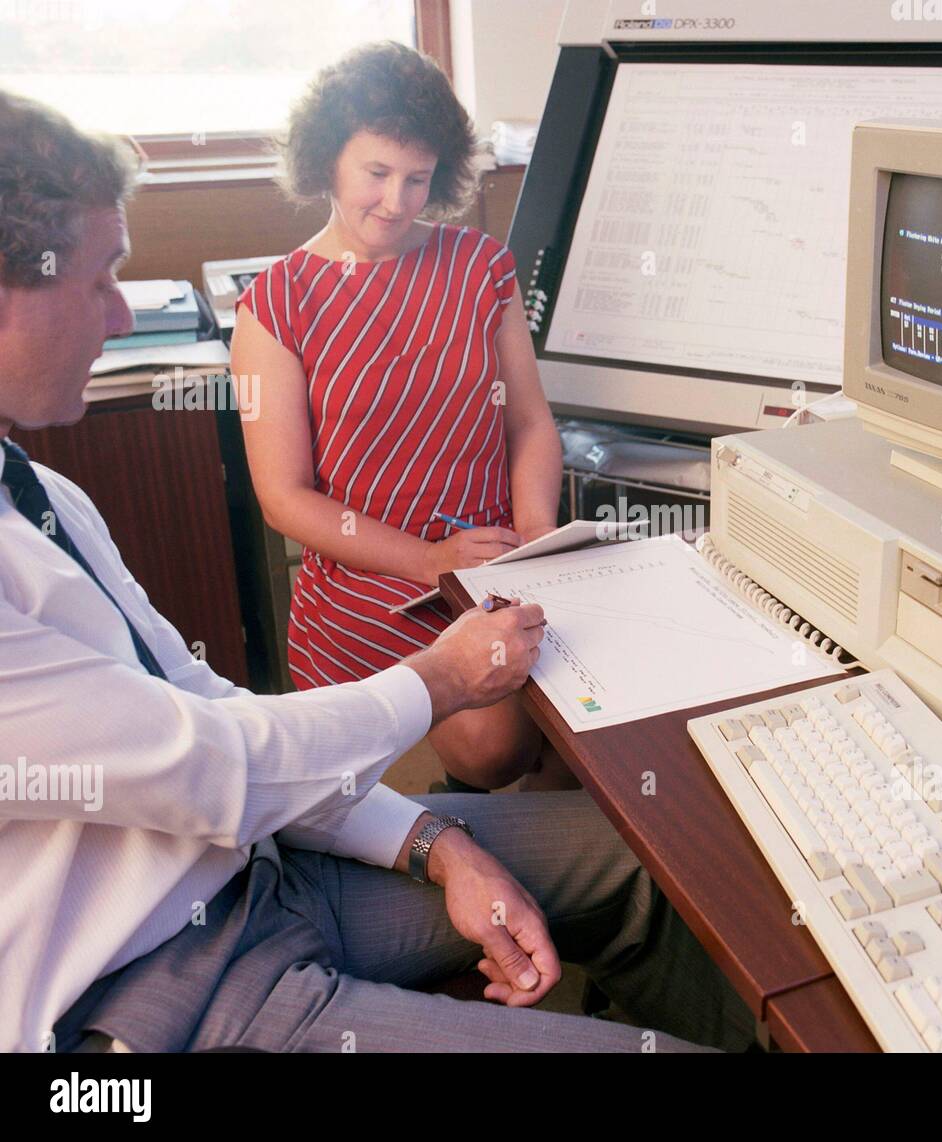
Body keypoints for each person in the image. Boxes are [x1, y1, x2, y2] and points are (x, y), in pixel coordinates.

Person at [0, 89, 753, 1054]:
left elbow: (212, 712)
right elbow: (220, 766)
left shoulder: (43, 495)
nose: (118, 312)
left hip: (264, 866)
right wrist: (439, 677)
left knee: (665, 859)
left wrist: (435, 846)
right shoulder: (281, 304)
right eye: (103, 277)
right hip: (157, 993)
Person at [232, 42, 567, 792]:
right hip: (372, 576)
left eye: (417, 179)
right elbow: (284, 497)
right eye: (376, 174)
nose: (396, 201)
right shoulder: (276, 305)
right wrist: (428, 561)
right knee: (491, 745)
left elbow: (530, 424)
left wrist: (538, 536)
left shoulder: (483, 268)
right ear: (328, 162)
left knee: (591, 717)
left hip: (492, 557)